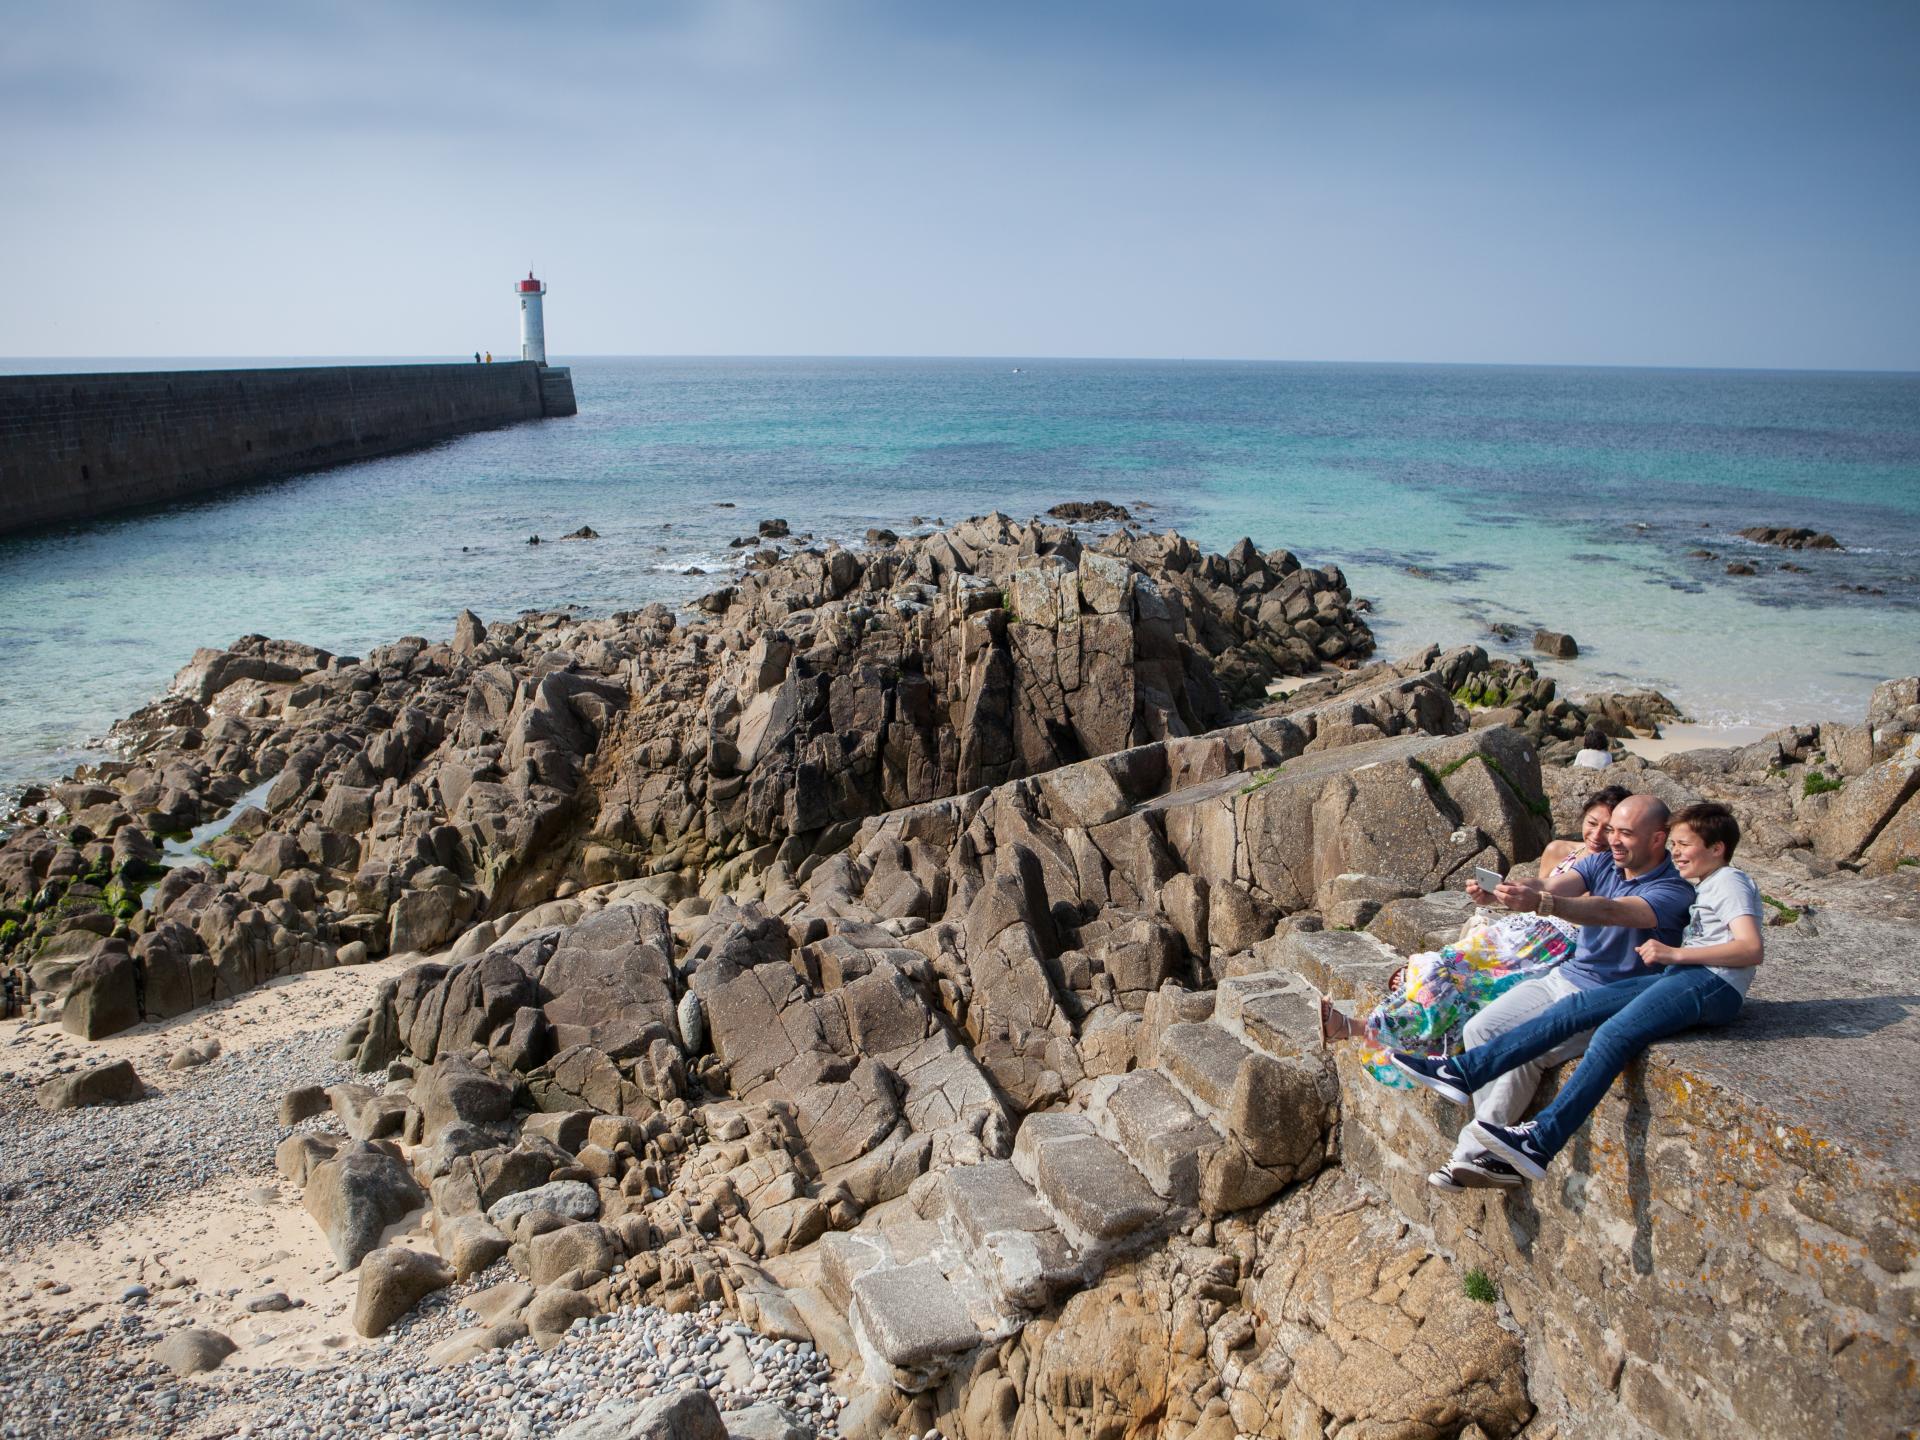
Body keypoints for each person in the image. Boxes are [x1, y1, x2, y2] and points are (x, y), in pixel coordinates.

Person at [1392, 802, 1761, 1178]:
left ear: (1661, 839)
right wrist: (1510, 891)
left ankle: (1504, 1149)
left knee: (1611, 1034)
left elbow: (1611, 911)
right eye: (1608, 829)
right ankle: (1466, 1077)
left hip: (1706, 981)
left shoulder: (1698, 885)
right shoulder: (1694, 879)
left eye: (1625, 833)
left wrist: (1675, 954)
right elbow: (1551, 883)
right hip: (1619, 976)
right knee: (1523, 1020)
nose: (1610, 839)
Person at [1324, 785, 1632, 1066]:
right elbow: (1538, 886)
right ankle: (1366, 1023)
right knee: (1442, 967)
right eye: (1592, 823)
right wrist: (1497, 894)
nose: (1596, 834)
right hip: (1522, 928)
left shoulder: (1621, 871)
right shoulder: (1560, 850)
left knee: (1474, 993)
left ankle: (1353, 1027)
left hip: (1552, 948)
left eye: (1608, 829)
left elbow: (1593, 914)